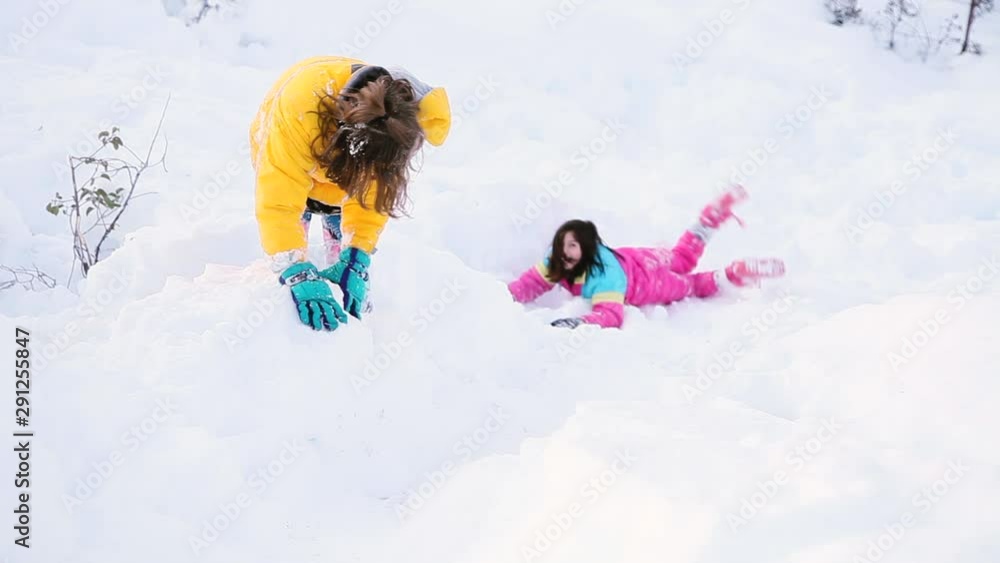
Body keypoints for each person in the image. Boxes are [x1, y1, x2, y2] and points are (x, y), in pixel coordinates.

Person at [250, 56, 450, 331]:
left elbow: (375, 192)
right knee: (292, 252)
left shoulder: (396, 122)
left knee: (345, 267)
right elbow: (278, 200)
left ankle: (352, 331)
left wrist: (357, 255)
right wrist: (294, 270)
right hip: (294, 161)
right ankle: (295, 328)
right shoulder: (298, 111)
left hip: (347, 157)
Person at [507, 186, 786, 329]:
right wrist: (502, 297)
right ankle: (708, 220)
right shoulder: (556, 260)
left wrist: (579, 323)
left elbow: (610, 315)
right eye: (563, 244)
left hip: (648, 281)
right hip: (642, 257)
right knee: (681, 256)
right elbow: (530, 284)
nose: (565, 252)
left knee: (691, 285)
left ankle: (732, 274)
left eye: (574, 247)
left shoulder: (605, 280)